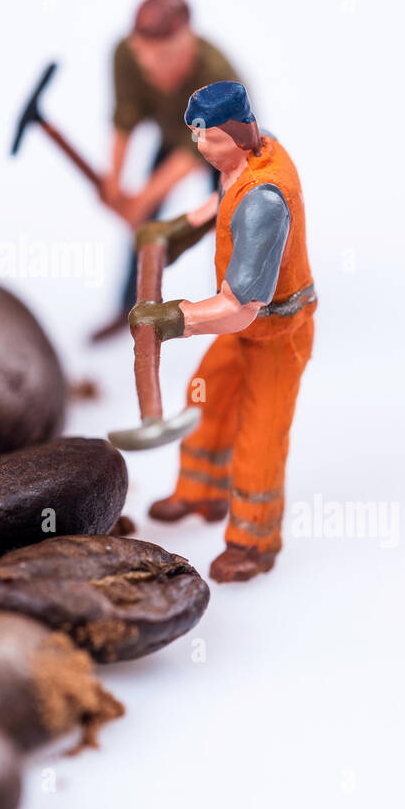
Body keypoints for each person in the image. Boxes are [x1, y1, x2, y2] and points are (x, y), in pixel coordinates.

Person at [130, 81, 316, 583]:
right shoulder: (250, 152)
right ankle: (201, 491)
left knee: (260, 433)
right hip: (247, 329)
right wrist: (178, 230)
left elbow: (238, 307)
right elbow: (220, 199)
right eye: (194, 134)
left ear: (235, 133)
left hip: (276, 334)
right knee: (204, 396)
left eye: (205, 136)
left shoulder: (266, 201)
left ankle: (254, 541)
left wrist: (171, 319)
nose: (197, 147)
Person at [93, 0, 242, 341]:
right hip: (176, 136)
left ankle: (236, 309)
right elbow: (125, 118)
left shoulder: (216, 74)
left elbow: (196, 153)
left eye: (165, 57)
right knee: (145, 227)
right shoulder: (126, 56)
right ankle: (128, 307)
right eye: (145, 56)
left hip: (225, 145)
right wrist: (114, 185)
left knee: (228, 222)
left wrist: (143, 197)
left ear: (188, 38)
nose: (153, 67)